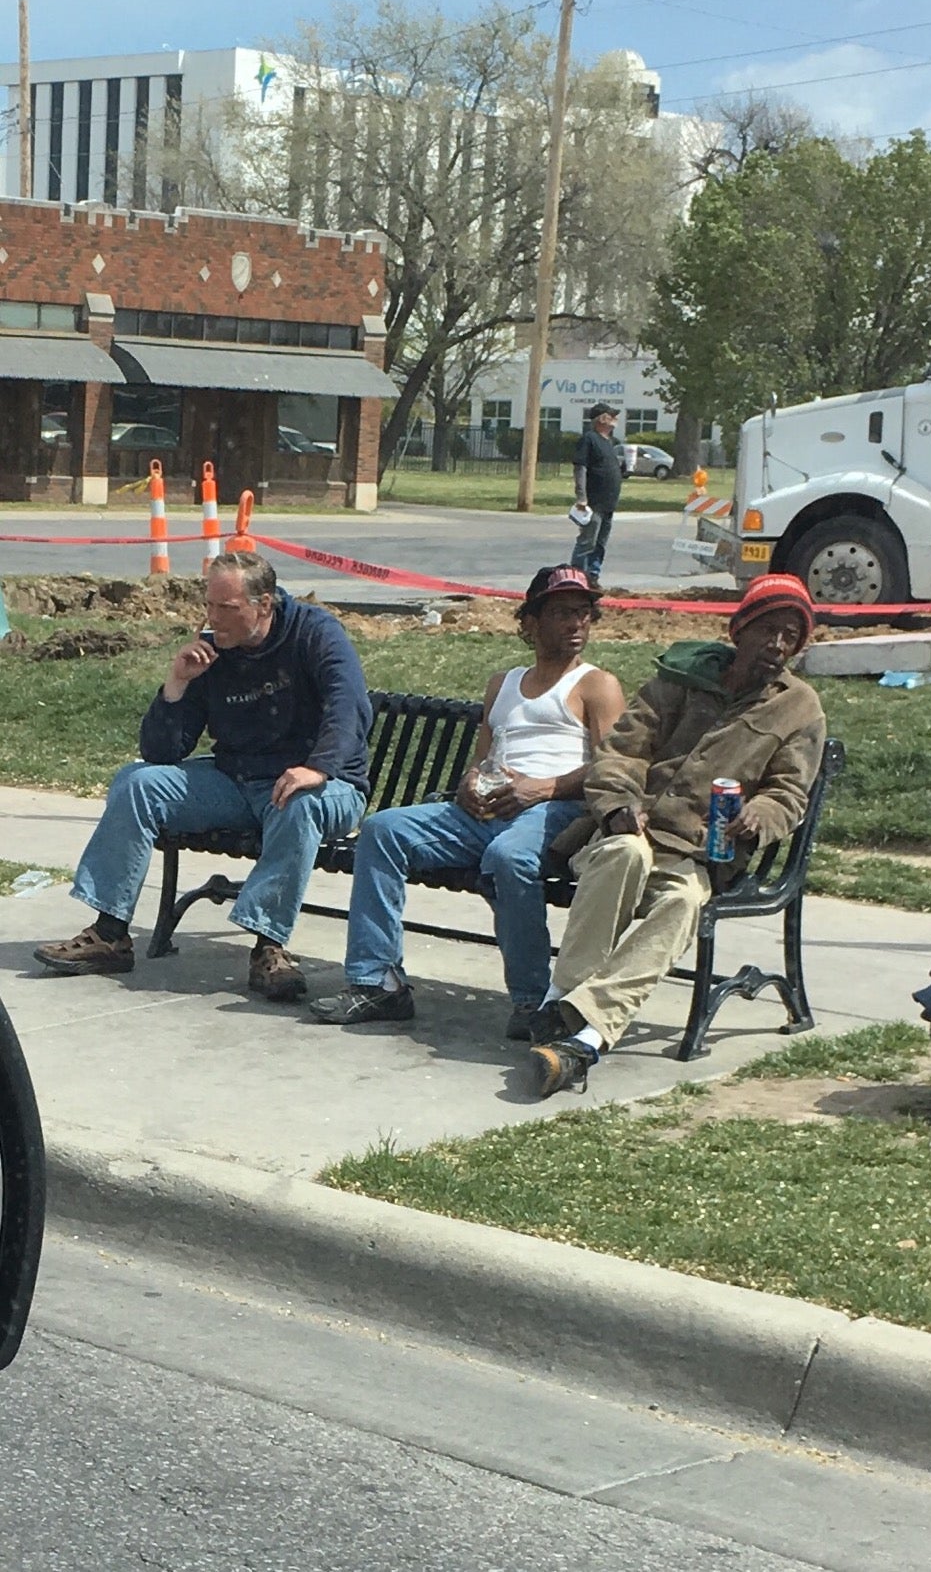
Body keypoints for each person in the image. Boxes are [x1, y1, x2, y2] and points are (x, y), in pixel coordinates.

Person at [527, 573, 827, 1096]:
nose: (778, 646)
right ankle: (563, 999)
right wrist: (619, 803)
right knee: (622, 856)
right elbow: (622, 750)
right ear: (740, 631)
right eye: (768, 631)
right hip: (629, 830)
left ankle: (587, 1036)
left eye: (791, 636)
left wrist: (759, 816)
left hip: (696, 850)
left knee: (685, 901)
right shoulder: (680, 678)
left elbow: (789, 792)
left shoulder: (798, 708)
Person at [34, 551, 371, 1002]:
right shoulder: (213, 648)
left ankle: (268, 949)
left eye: (226, 609)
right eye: (209, 606)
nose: (214, 619)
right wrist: (177, 685)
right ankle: (110, 934)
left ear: (264, 604)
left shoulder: (315, 633)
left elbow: (348, 705)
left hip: (326, 783)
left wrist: (318, 766)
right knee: (138, 784)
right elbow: (161, 753)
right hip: (238, 780)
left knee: (299, 803)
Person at [310, 567, 626, 1034]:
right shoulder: (504, 683)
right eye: (562, 613)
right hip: (490, 809)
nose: (577, 624)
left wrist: (542, 788)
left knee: (508, 857)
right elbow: (484, 758)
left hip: (555, 811)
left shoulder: (597, 685)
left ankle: (531, 1001)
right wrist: (470, 783)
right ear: (531, 622)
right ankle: (377, 982)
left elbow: (613, 769)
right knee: (383, 831)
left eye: (583, 613)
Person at [570, 402, 625, 584]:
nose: (615, 419)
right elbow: (581, 468)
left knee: (600, 544)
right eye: (611, 415)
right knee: (588, 542)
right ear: (601, 418)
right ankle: (577, 577)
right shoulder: (589, 439)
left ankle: (593, 577)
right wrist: (581, 497)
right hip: (593, 502)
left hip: (609, 503)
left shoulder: (609, 442)